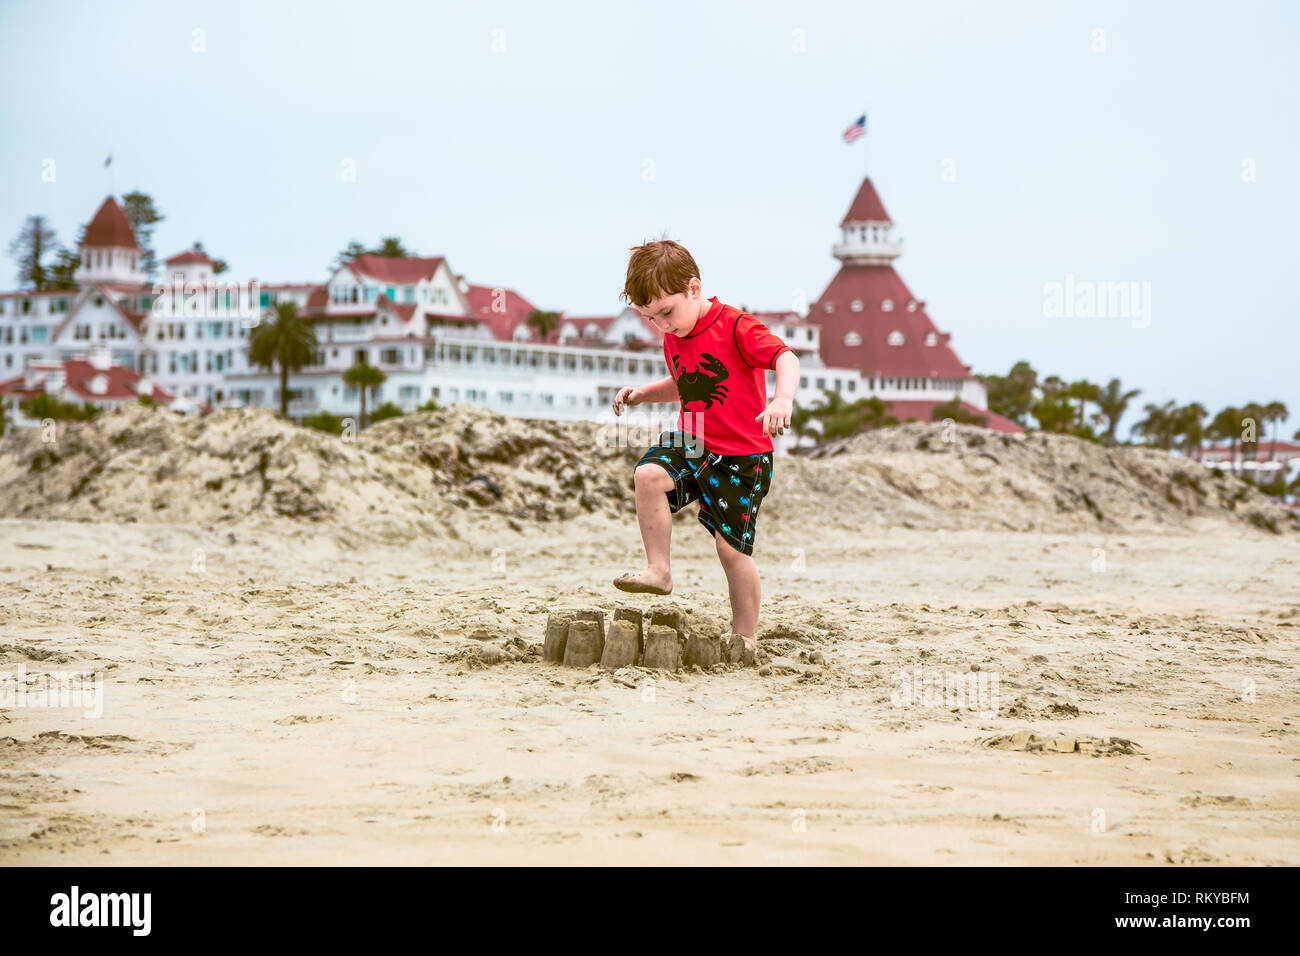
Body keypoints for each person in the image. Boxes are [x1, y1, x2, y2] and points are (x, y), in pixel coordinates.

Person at [610, 239, 799, 658]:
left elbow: (786, 358)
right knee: (647, 476)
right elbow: (685, 382)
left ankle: (745, 636)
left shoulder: (735, 325)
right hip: (693, 441)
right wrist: (643, 394)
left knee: (730, 551)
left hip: (743, 455)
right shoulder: (674, 333)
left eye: (665, 312)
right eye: (649, 318)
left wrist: (782, 400)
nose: (662, 325)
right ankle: (660, 571)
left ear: (694, 289)